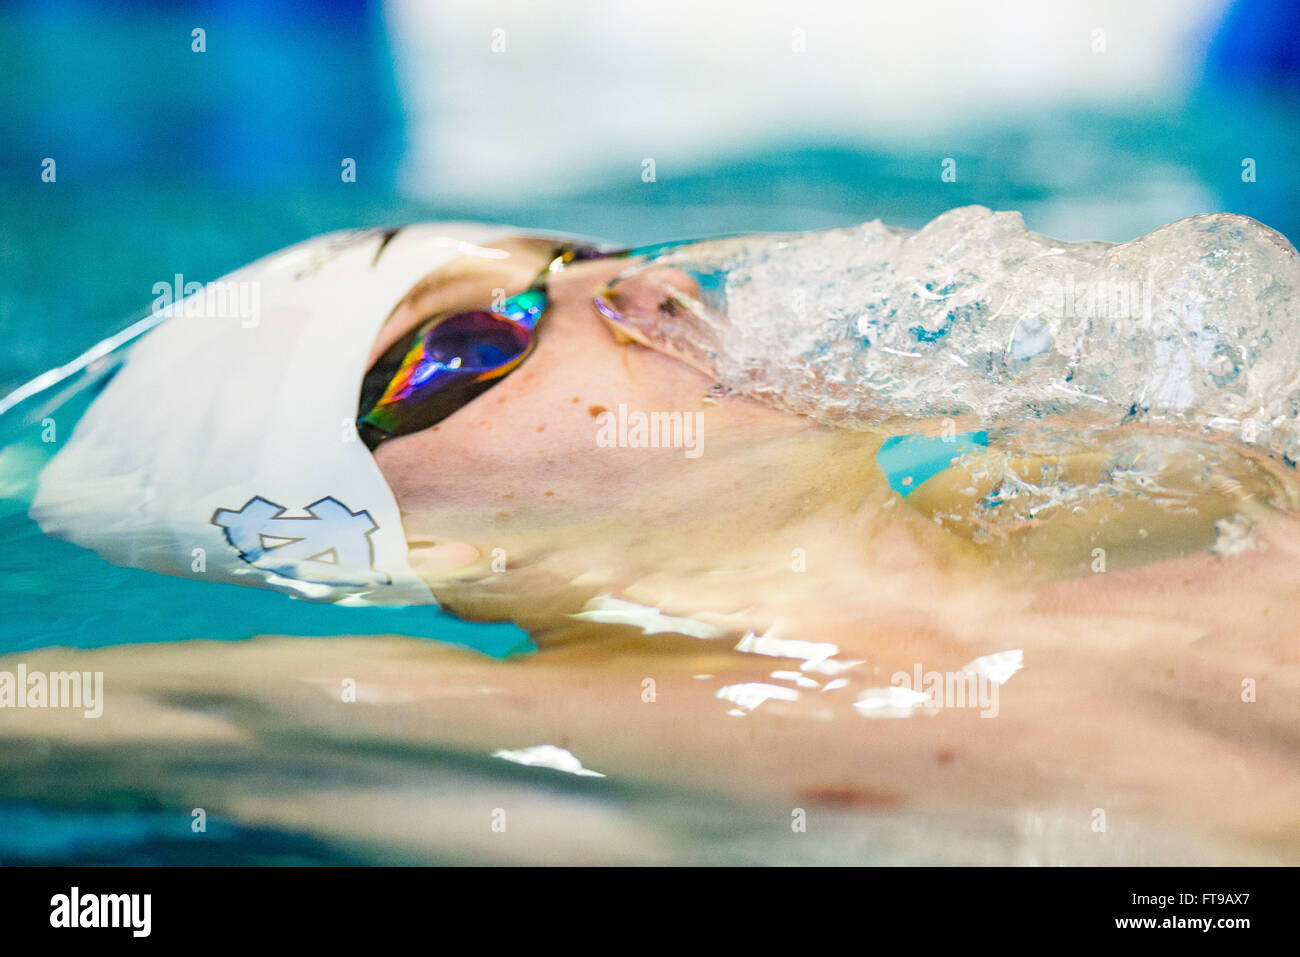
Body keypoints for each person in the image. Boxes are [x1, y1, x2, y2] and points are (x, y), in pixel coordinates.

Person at [4, 208, 1299, 864]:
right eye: (477, 337)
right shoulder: (536, 732)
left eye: (592, 257)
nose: (647, 290)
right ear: (417, 548)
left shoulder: (1155, 460)